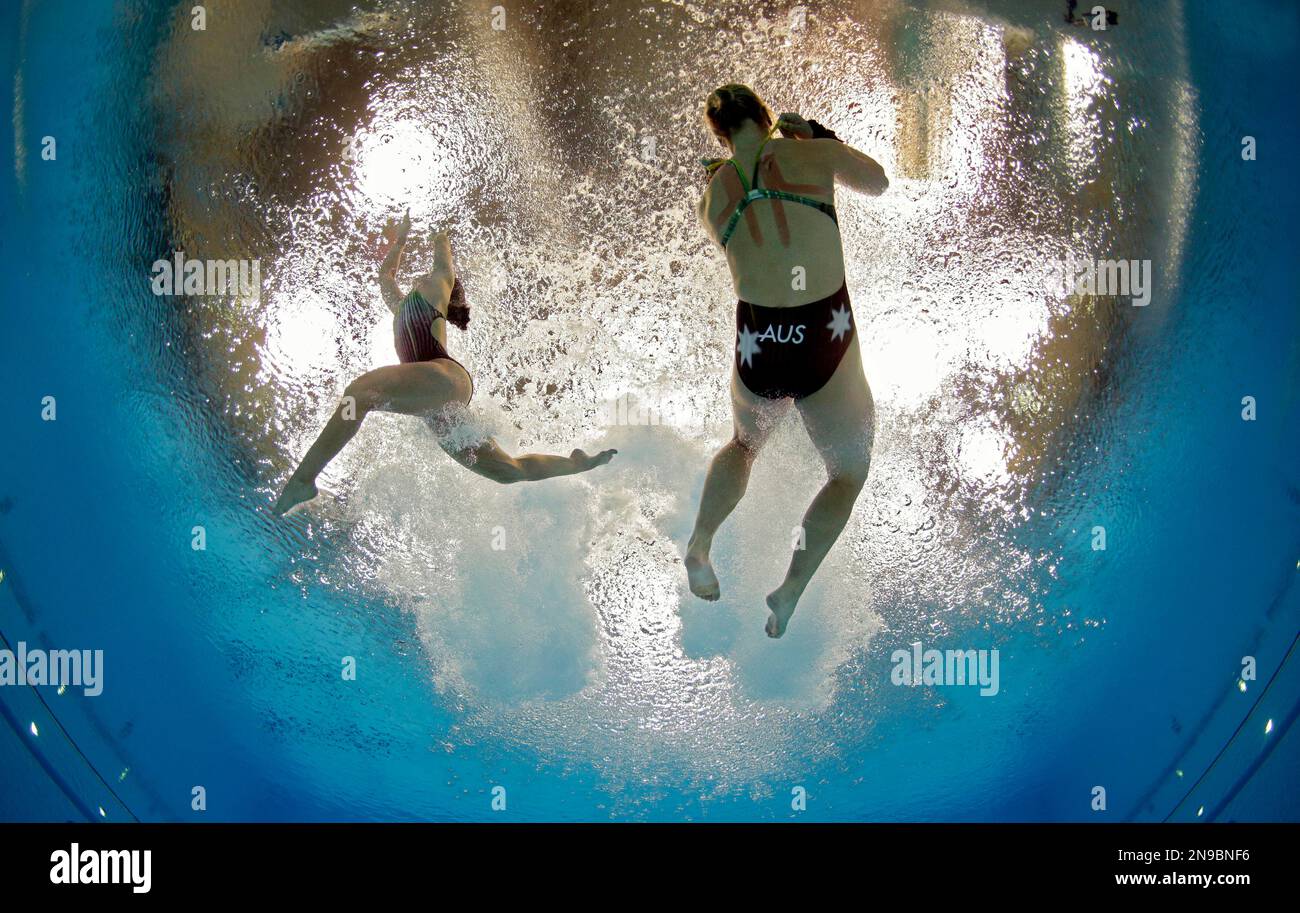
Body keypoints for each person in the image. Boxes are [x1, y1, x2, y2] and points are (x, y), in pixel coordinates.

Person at [685, 84, 888, 637]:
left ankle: (701, 540)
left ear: (721, 135)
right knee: (848, 472)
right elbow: (877, 182)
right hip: (824, 330)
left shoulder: (711, 200)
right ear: (767, 116)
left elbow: (746, 227)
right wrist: (823, 139)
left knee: (745, 445)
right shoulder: (809, 153)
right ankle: (790, 587)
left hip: (758, 338)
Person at [273, 212, 616, 515]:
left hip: (443, 378)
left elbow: (444, 264)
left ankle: (304, 480)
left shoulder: (437, 286)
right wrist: (402, 239)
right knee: (507, 471)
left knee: (360, 393)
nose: (417, 276)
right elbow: (385, 277)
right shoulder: (401, 305)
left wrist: (440, 234)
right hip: (437, 404)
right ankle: (576, 464)